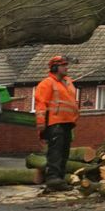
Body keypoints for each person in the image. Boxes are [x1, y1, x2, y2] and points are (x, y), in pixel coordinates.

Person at [33, 55, 80, 190]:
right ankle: (53, 178)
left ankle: (60, 178)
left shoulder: (68, 82)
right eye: (63, 65)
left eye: (66, 65)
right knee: (55, 152)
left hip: (67, 122)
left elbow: (72, 102)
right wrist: (41, 124)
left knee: (64, 152)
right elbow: (41, 104)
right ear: (55, 68)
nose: (66, 67)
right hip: (55, 123)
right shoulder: (47, 84)